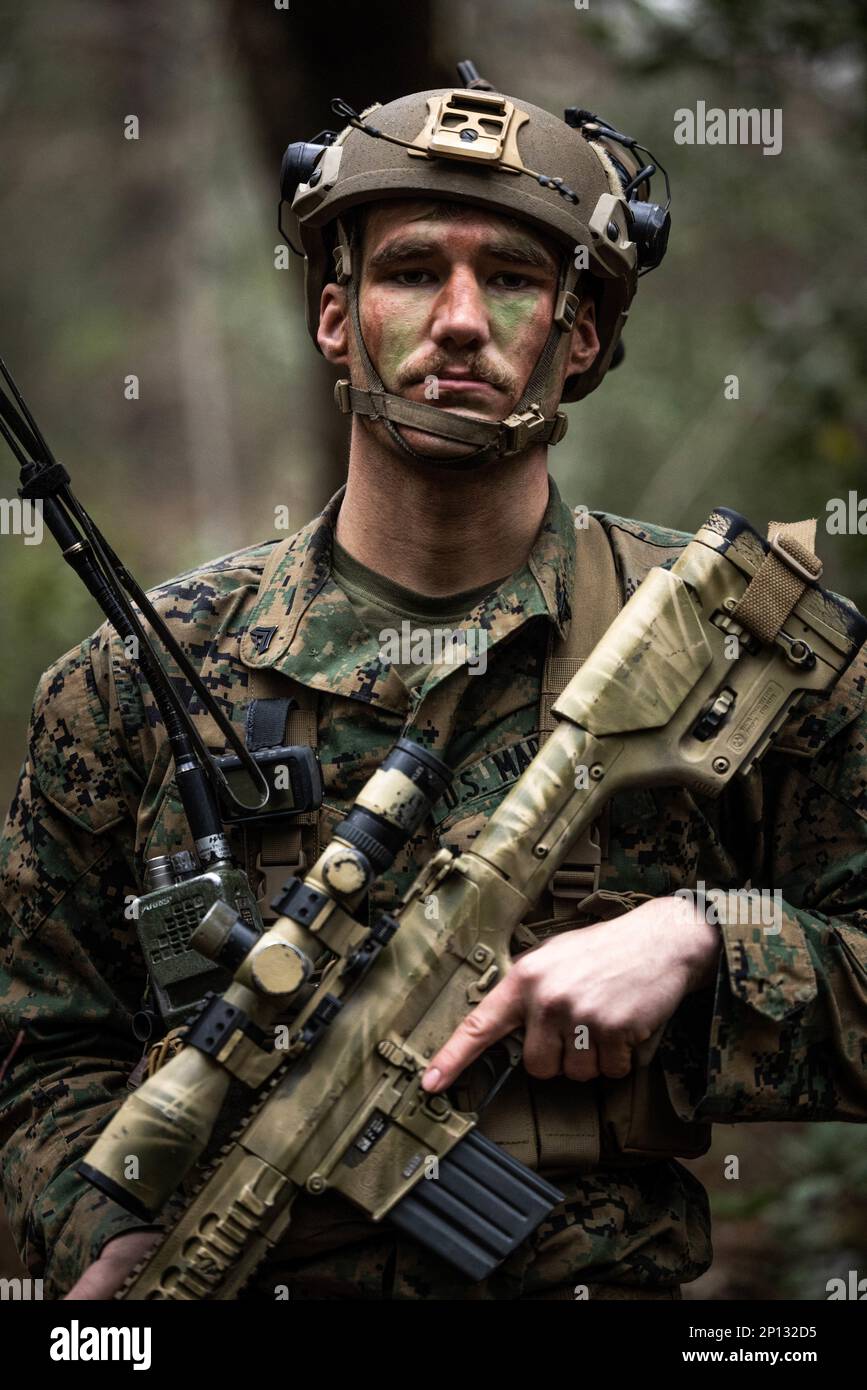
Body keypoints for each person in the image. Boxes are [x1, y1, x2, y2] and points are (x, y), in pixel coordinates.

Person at [1, 78, 865, 1303]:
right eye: (413, 271)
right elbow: (41, 1043)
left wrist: (706, 942)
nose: (459, 320)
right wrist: (99, 1240)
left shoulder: (725, 644)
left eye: (510, 277)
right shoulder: (138, 680)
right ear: (336, 319)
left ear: (577, 336)